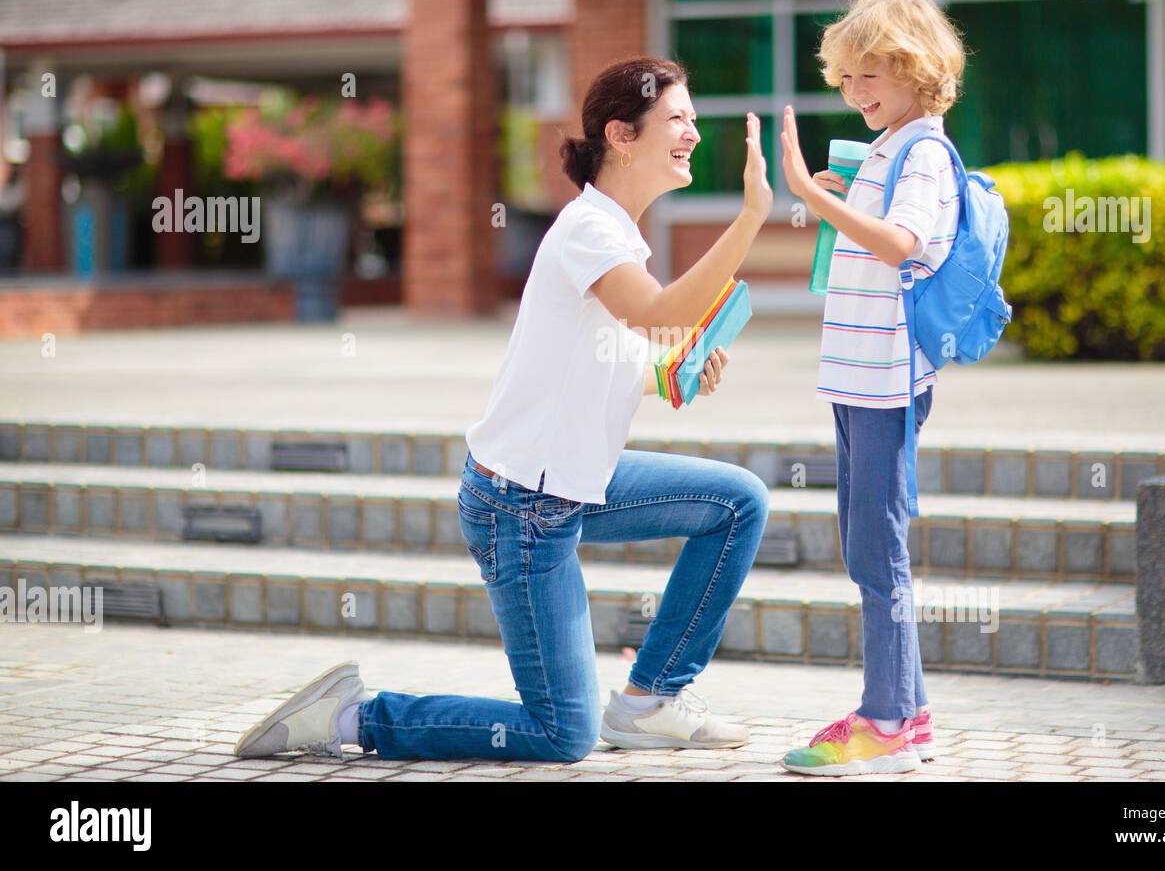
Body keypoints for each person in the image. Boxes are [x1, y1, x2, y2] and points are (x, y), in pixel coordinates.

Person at [234, 56, 774, 763]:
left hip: (575, 483)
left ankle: (651, 701)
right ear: (620, 133)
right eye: (678, 118)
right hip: (520, 508)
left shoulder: (613, 237)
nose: (694, 134)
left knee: (737, 502)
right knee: (562, 734)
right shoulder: (590, 230)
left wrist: (673, 374)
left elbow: (609, 356)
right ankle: (352, 717)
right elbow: (660, 311)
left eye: (695, 121)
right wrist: (753, 217)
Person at [776, 0, 966, 775]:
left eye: (869, 75)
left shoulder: (923, 150)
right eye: (846, 78)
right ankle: (905, 713)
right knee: (866, 546)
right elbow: (876, 229)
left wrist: (813, 199)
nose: (854, 92)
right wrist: (838, 193)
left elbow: (902, 241)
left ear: (916, 71)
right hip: (859, 379)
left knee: (877, 552)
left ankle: (885, 716)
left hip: (886, 381)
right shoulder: (893, 149)